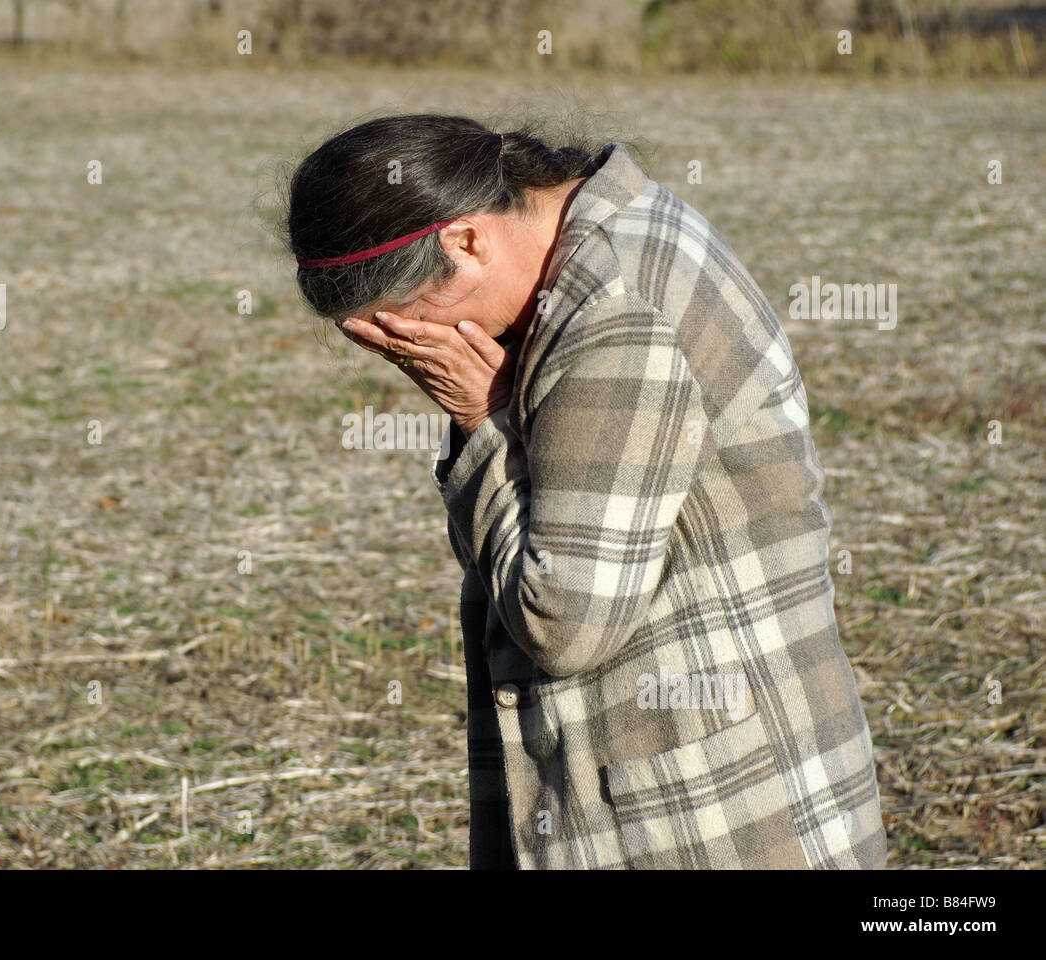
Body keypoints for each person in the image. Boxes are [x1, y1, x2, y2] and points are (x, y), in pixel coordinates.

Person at [284, 114, 887, 869]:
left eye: (409, 331)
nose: (415, 354)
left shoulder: (611, 318)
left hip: (711, 823)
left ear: (466, 241)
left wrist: (481, 423)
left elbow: (562, 622)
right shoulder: (609, 229)